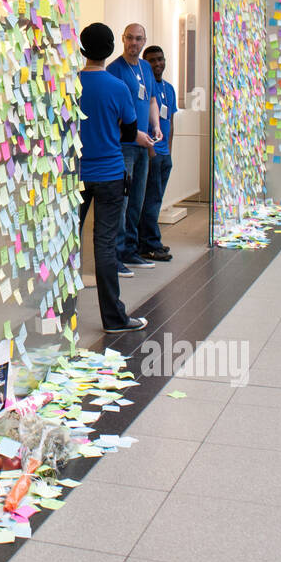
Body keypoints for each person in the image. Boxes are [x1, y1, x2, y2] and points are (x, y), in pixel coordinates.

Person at [78, 22, 150, 332]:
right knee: (104, 246)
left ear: (83, 50)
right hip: (109, 173)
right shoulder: (118, 87)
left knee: (67, 242)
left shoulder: (71, 85)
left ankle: (55, 312)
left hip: (75, 176)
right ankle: (114, 318)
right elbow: (131, 132)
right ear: (110, 51)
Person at [107, 24, 162, 273]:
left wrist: (155, 125)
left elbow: (151, 99)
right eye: (130, 38)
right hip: (126, 145)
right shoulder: (115, 70)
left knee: (137, 200)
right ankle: (117, 253)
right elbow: (113, 111)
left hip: (143, 145)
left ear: (144, 41)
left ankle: (130, 249)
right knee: (123, 201)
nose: (134, 43)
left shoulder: (146, 68)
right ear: (122, 39)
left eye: (139, 39)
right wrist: (134, 134)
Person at [139, 45, 176, 262]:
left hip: (164, 155)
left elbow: (170, 120)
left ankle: (152, 240)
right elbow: (144, 121)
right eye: (152, 60)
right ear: (145, 63)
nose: (158, 64)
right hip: (151, 154)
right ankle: (149, 244)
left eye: (160, 59)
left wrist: (169, 152)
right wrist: (152, 150)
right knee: (150, 201)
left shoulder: (169, 89)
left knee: (157, 199)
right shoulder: (145, 88)